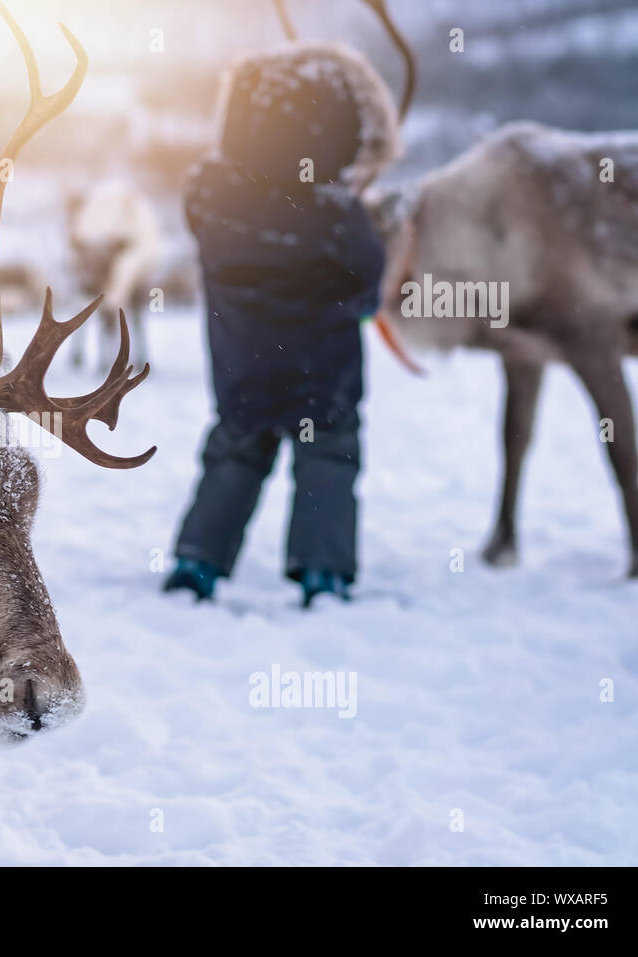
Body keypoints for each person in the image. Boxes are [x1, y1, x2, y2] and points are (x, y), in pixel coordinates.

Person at [165, 45, 399, 608]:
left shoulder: (210, 196)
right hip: (327, 376)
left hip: (242, 368)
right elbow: (368, 288)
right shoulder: (339, 215)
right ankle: (323, 573)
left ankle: (197, 562)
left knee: (235, 453)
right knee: (328, 458)